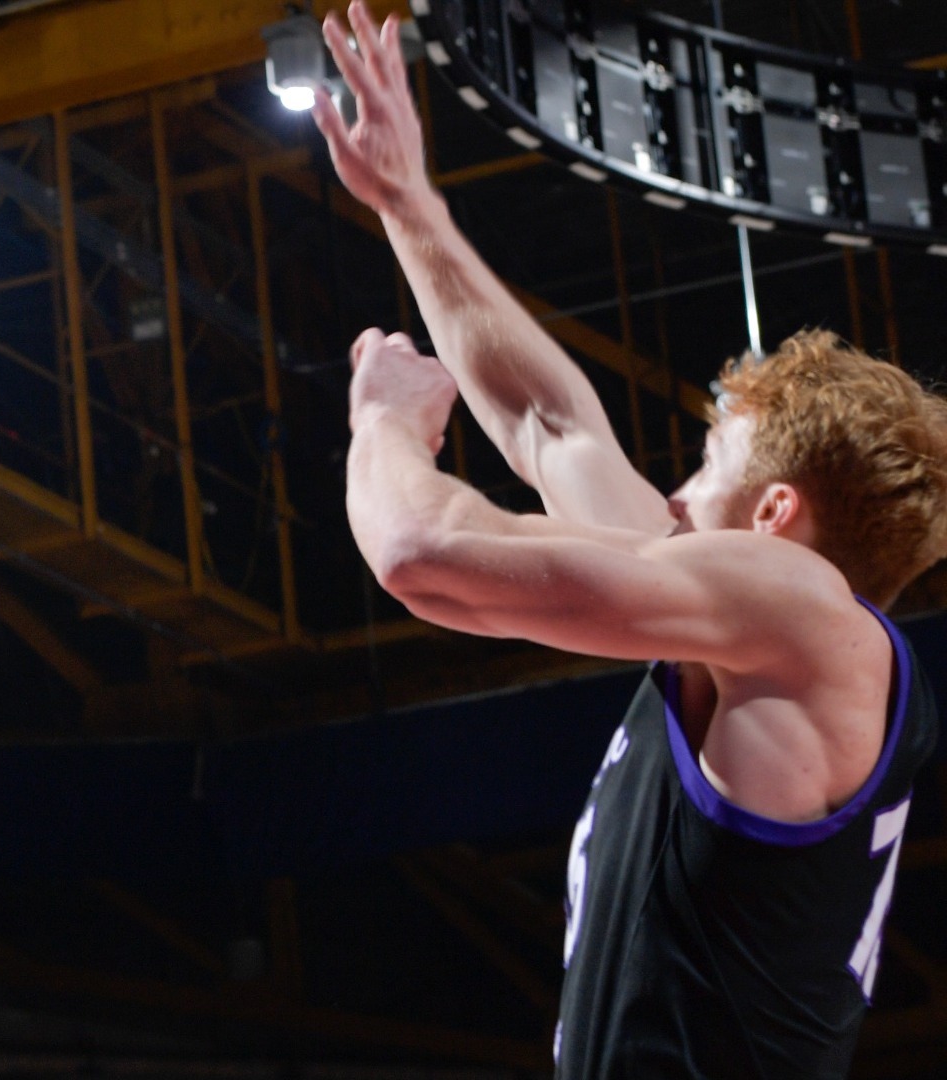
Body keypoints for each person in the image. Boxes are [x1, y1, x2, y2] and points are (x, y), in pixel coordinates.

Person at [317, 3, 944, 1076]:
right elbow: (545, 424)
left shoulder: (805, 615)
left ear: (778, 515)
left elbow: (422, 554)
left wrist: (383, 425)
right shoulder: (761, 641)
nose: (676, 496)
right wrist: (408, 202)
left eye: (708, 469)